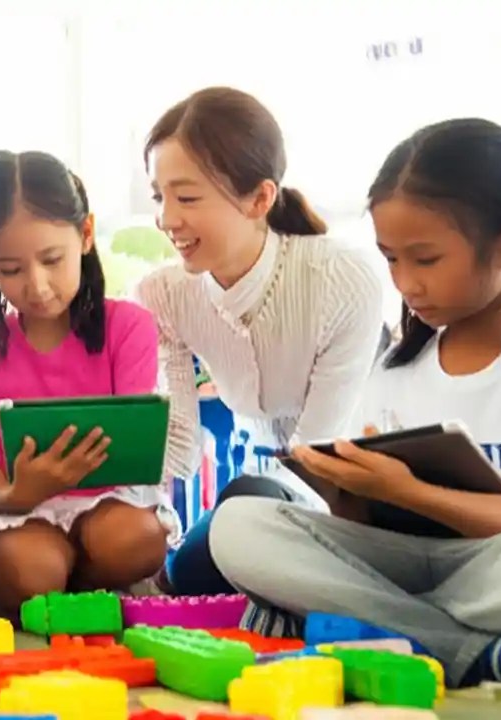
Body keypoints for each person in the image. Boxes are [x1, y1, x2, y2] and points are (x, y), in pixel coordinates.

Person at [210, 119, 501, 718]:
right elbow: (364, 524)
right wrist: (347, 487)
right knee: (239, 525)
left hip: (498, 574)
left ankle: (352, 622)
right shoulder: (396, 367)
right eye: (390, 259)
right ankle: (493, 657)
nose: (407, 284)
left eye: (427, 259)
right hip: (402, 567)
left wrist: (412, 491)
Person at [133, 86, 384, 596]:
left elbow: (317, 452)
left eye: (187, 197)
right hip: (256, 501)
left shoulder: (341, 278)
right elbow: (179, 441)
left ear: (260, 198)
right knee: (188, 564)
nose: (167, 220)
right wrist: (132, 516)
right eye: (160, 197)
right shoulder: (164, 293)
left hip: (348, 496)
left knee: (227, 529)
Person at [0, 150, 180, 616]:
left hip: (108, 506)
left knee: (136, 539)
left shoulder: (128, 327)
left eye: (53, 259)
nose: (37, 286)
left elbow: (133, 452)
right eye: (11, 270)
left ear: (86, 235)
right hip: (18, 515)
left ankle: (64, 598)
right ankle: (50, 594)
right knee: (32, 570)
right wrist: (22, 493)